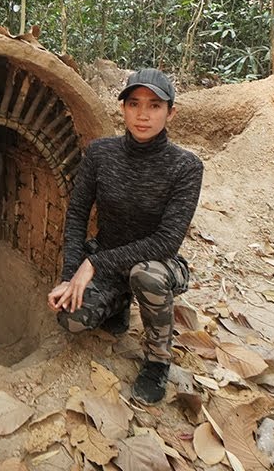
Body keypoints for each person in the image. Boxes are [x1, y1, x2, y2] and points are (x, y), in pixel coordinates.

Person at [47, 68, 204, 404]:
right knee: (71, 318)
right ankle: (118, 302)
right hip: (109, 257)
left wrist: (93, 263)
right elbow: (77, 215)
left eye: (154, 105)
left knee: (145, 275)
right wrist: (69, 277)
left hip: (158, 263)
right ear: (123, 108)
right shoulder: (100, 153)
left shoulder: (186, 167)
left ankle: (158, 360)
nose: (143, 115)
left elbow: (166, 241)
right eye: (134, 104)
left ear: (171, 113)